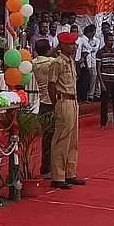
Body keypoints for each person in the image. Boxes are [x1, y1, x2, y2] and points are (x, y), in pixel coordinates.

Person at [48, 32, 85, 190]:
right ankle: (58, 176)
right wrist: (55, 103)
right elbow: (51, 85)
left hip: (73, 100)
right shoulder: (58, 62)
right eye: (71, 44)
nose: (74, 47)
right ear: (63, 46)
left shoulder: (70, 61)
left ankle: (70, 172)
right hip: (63, 100)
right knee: (61, 139)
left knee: (73, 140)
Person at [31, 39, 57, 175]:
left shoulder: (33, 63)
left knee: (47, 136)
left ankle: (46, 166)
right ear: (48, 50)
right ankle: (48, 166)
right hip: (51, 101)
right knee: (52, 136)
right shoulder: (51, 62)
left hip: (42, 101)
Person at [95, 32, 114, 129]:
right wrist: (101, 83)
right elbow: (98, 68)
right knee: (104, 103)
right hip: (106, 80)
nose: (111, 42)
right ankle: (103, 123)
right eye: (109, 40)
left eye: (112, 40)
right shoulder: (100, 52)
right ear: (105, 41)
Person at [76, 24, 98, 103]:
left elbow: (93, 49)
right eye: (92, 32)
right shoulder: (82, 39)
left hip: (91, 62)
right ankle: (81, 97)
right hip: (83, 63)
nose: (93, 34)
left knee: (90, 79)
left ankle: (89, 96)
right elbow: (88, 49)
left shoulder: (96, 40)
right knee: (82, 80)